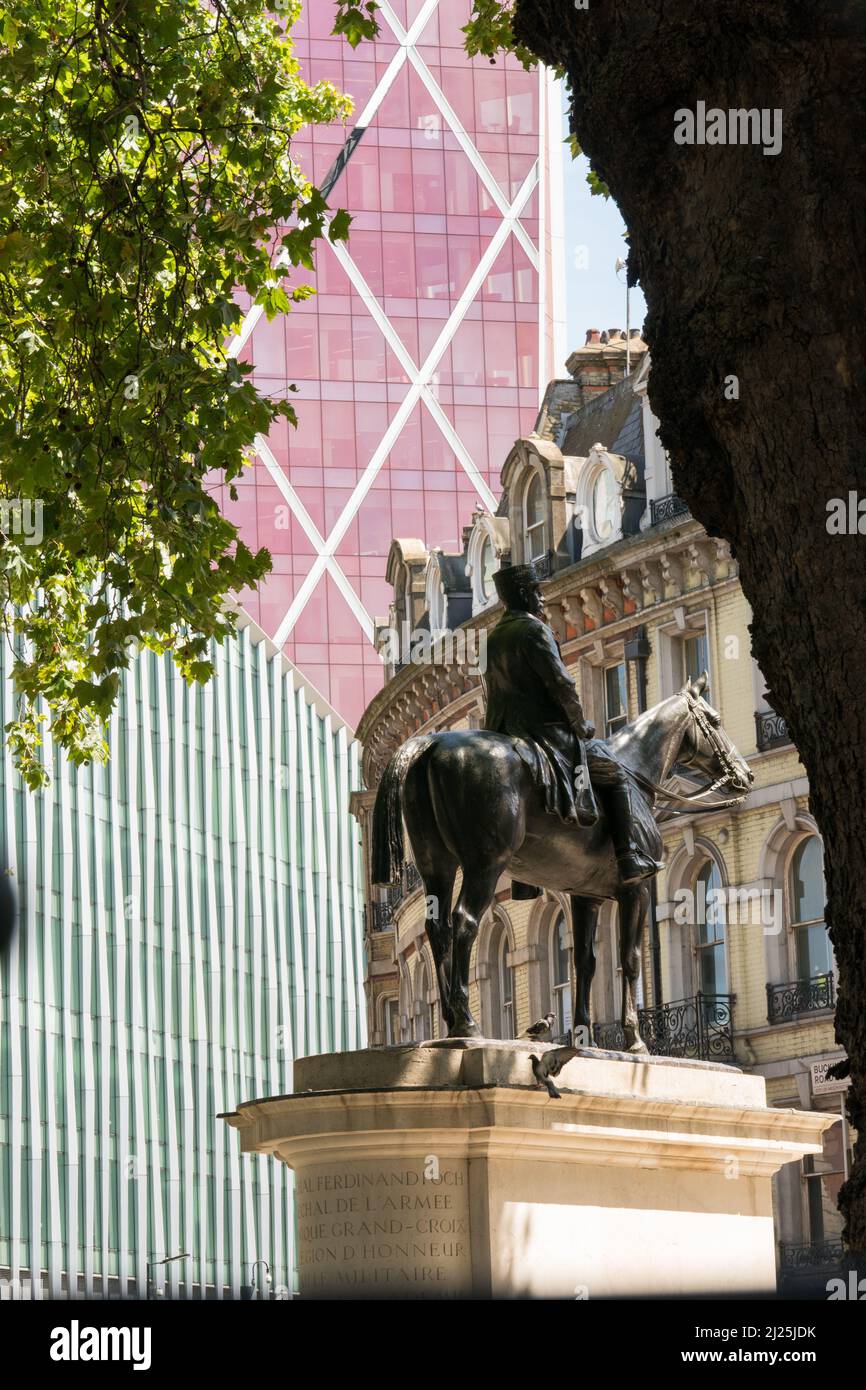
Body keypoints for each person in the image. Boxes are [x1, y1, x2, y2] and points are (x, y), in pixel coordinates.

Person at [482, 561, 656, 886]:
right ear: (522, 594)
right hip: (542, 733)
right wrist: (579, 723)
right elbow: (561, 683)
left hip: (503, 732)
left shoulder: (491, 640)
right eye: (536, 591)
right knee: (614, 772)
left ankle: (523, 879)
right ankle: (628, 855)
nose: (542, 598)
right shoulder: (534, 630)